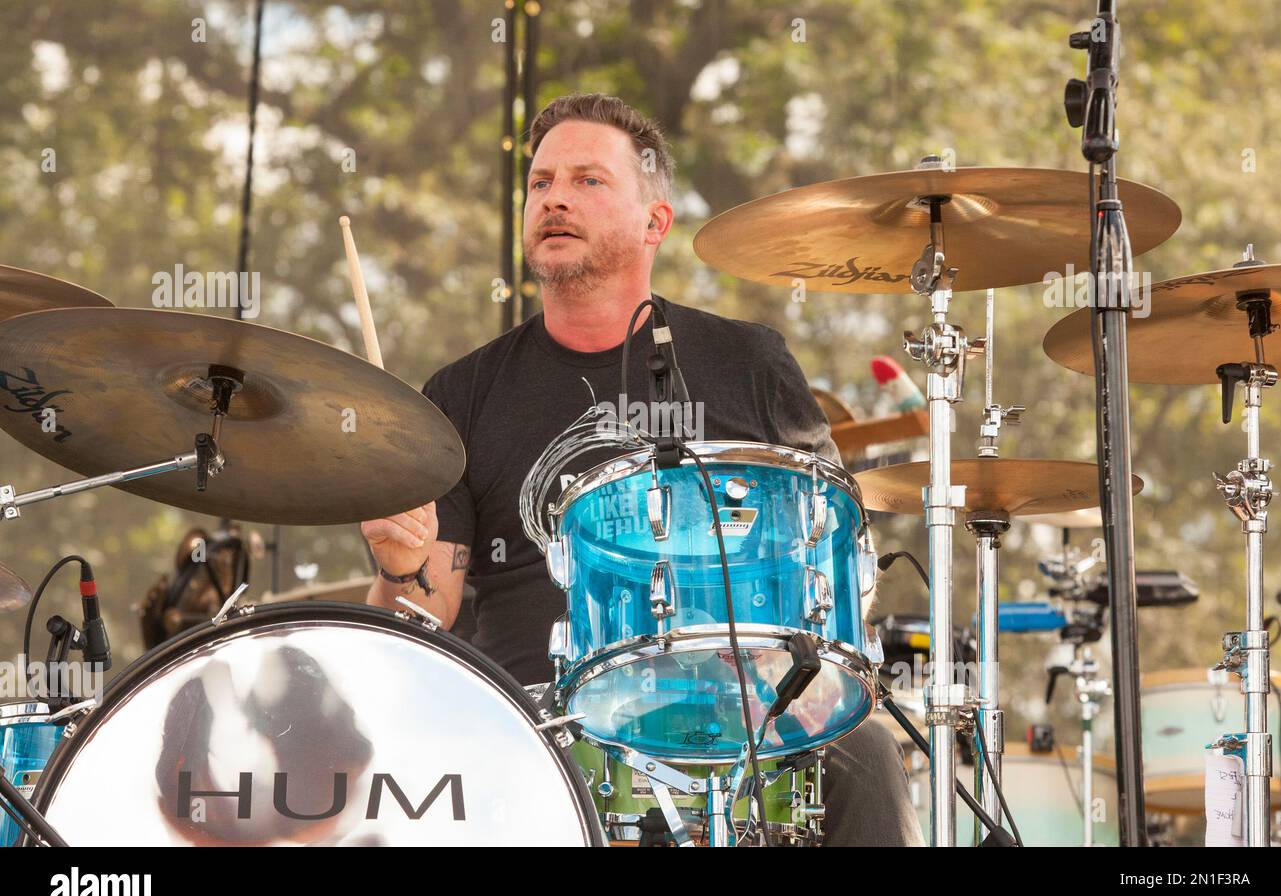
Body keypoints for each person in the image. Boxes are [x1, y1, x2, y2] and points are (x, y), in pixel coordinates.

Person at [362, 92, 922, 846]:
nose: (555, 196)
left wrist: (799, 690)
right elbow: (417, 620)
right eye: (541, 182)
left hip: (741, 728)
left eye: (588, 180)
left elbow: (838, 561)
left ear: (655, 222)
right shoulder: (462, 394)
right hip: (538, 733)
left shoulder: (749, 363)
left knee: (868, 751)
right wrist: (399, 567)